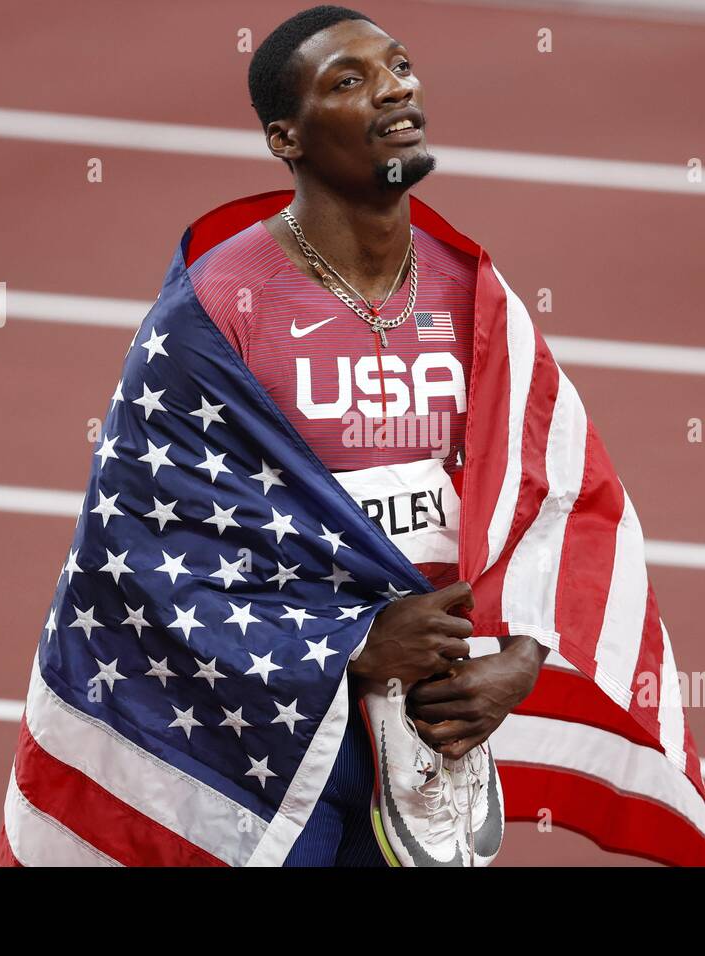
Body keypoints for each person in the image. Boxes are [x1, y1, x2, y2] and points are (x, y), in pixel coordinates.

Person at [186, 5, 547, 865]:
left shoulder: (474, 292)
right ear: (287, 137)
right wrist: (346, 645)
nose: (395, 89)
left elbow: (552, 489)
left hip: (427, 733)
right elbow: (153, 538)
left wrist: (524, 654)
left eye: (399, 66)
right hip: (262, 737)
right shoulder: (221, 304)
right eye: (350, 81)